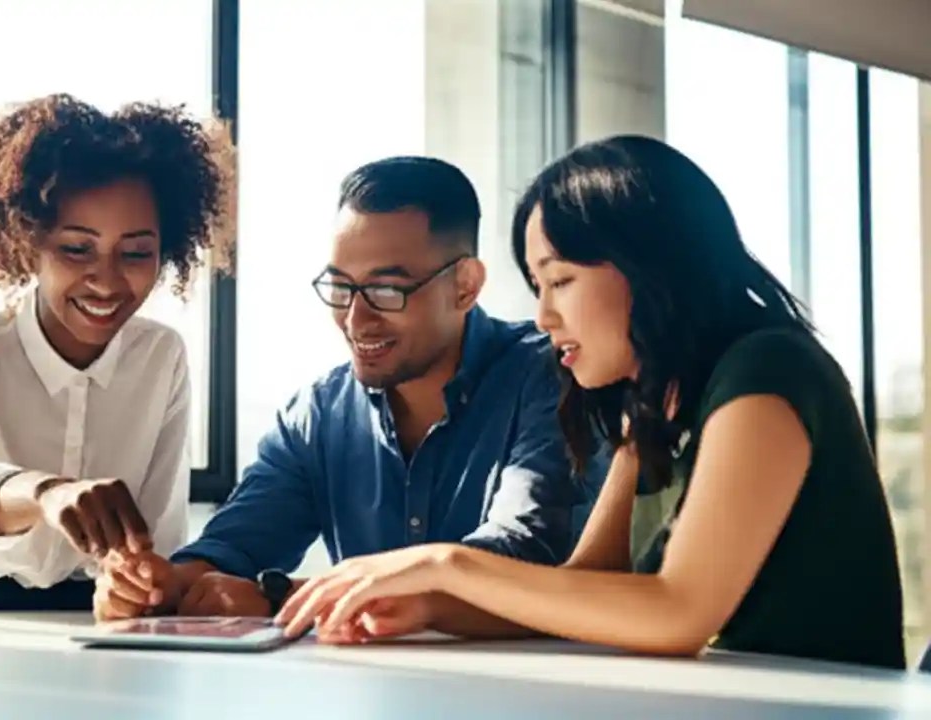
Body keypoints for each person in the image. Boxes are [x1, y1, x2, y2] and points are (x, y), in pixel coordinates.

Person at [275, 135, 906, 670]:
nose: (544, 316)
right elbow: (588, 586)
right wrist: (425, 605)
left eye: (560, 281)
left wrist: (447, 564)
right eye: (537, 285)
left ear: (647, 264)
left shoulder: (767, 369)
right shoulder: (655, 400)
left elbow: (679, 611)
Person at [95, 156, 602, 621]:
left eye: (386, 290)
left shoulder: (552, 375)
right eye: (341, 288)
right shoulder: (319, 415)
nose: (356, 319)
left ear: (464, 285)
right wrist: (157, 585)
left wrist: (287, 595)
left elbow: (525, 554)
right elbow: (235, 546)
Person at [0, 94, 234, 610]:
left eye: (135, 253)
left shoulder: (161, 356)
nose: (107, 281)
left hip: (83, 608)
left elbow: (155, 532)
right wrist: (46, 494)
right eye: (76, 248)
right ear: (26, 243)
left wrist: (141, 578)